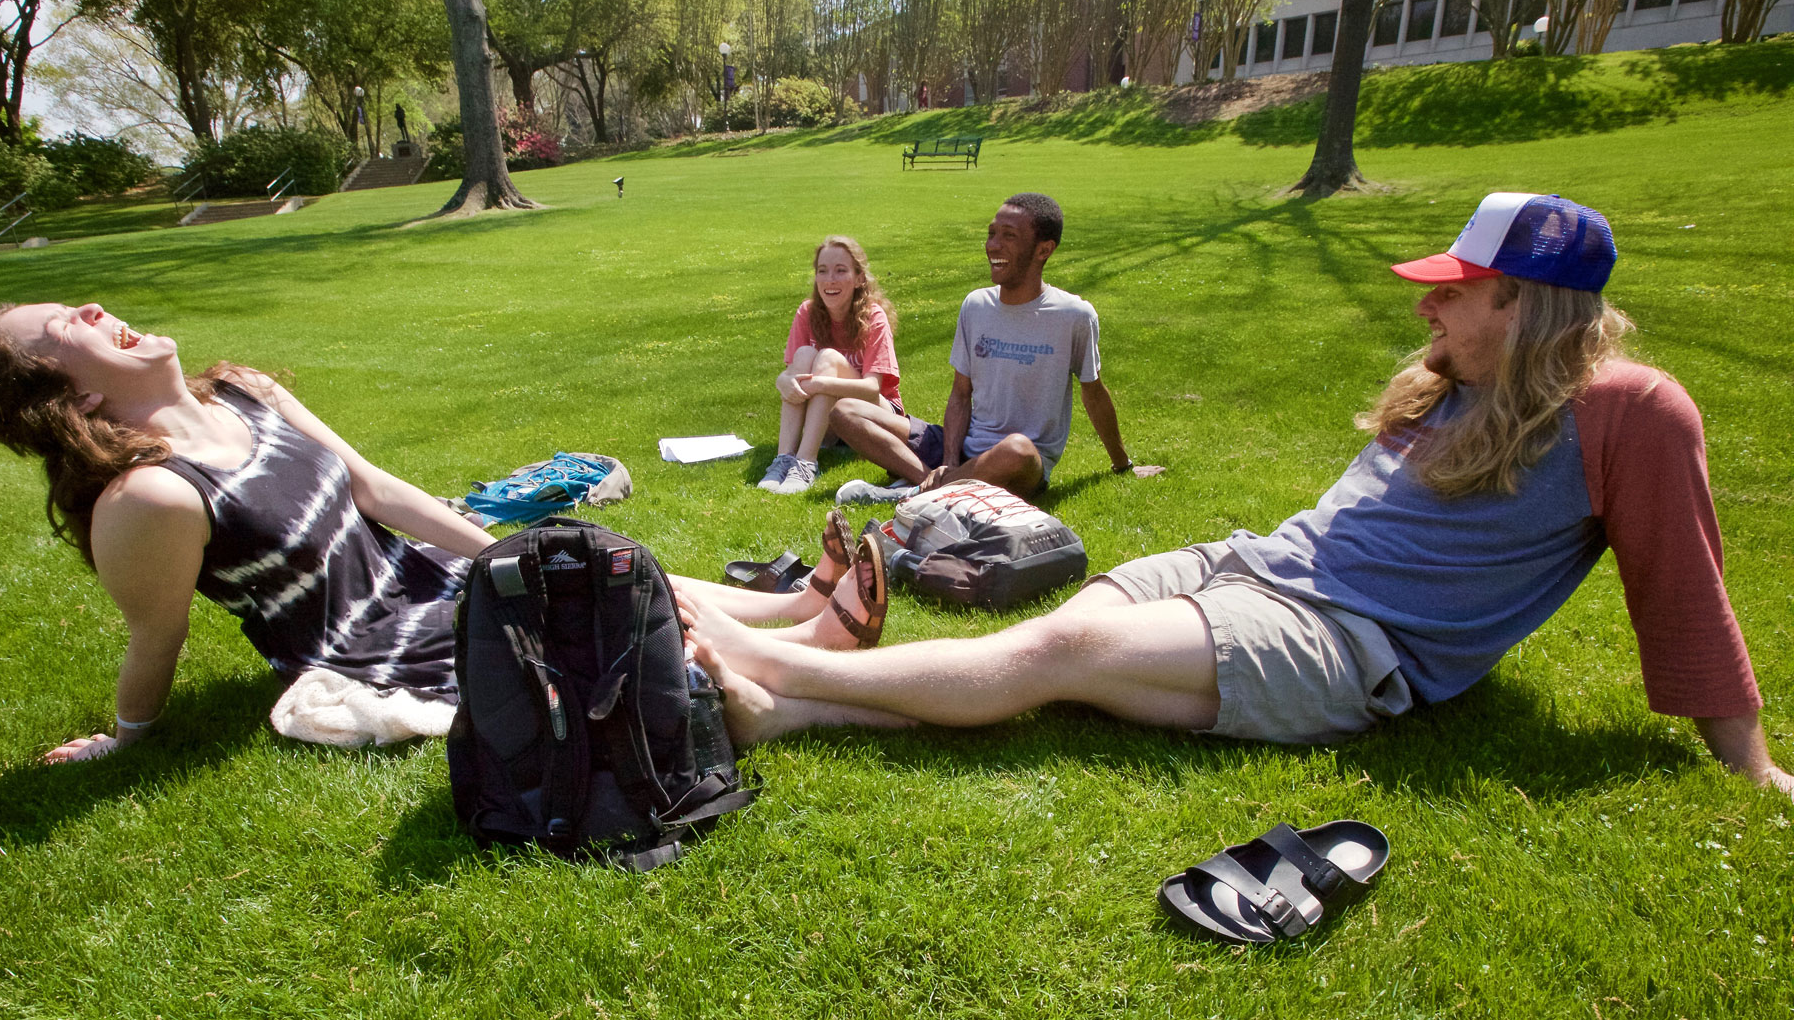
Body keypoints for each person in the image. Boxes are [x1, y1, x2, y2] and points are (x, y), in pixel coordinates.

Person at [683, 193, 1792, 796]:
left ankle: (782, 664)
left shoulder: (1631, 414)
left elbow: (1680, 587)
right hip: (1255, 562)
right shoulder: (1457, 383)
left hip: (1347, 637)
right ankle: (789, 712)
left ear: (1525, 303)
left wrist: (1748, 763)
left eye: (1457, 295)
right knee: (1072, 641)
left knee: (1057, 659)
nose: (1428, 315)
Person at [0, 303, 885, 764]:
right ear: (68, 396)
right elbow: (157, 636)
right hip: (380, 644)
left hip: (430, 575)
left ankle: (796, 615)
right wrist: (127, 737)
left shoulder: (243, 391)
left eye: (79, 301)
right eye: (61, 326)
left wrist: (503, 550)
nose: (91, 310)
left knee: (589, 557)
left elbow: (378, 490)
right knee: (615, 609)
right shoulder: (148, 499)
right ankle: (813, 659)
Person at [831, 193, 1140, 505]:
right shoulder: (976, 305)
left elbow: (1094, 392)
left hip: (1018, 464)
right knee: (845, 411)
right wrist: (950, 458)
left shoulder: (1073, 316)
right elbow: (960, 394)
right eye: (992, 234)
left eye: (1009, 236)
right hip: (964, 445)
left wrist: (1122, 464)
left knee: (1016, 447)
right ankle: (934, 483)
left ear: (1044, 250)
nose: (993, 245)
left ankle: (917, 494)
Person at [756, 236, 903, 496]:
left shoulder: (874, 317)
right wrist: (783, 381)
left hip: (877, 416)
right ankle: (784, 459)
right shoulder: (808, 312)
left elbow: (872, 388)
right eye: (822, 271)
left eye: (840, 271)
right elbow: (791, 375)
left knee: (828, 359)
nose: (830, 280)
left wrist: (820, 382)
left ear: (859, 278)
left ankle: (806, 463)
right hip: (831, 423)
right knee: (803, 354)